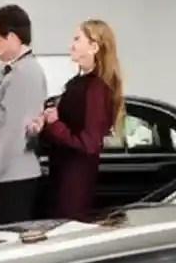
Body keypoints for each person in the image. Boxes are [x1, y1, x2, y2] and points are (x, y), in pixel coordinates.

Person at [27, 19, 124, 221]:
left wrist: (55, 124)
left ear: (94, 47)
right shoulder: (76, 83)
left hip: (74, 180)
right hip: (61, 173)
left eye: (77, 39)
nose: (71, 45)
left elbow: (88, 143)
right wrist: (45, 123)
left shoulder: (96, 88)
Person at [0, 5, 47, 226]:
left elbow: (10, 132)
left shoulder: (22, 74)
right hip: (10, 172)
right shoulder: (14, 71)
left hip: (10, 175)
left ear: (13, 37)